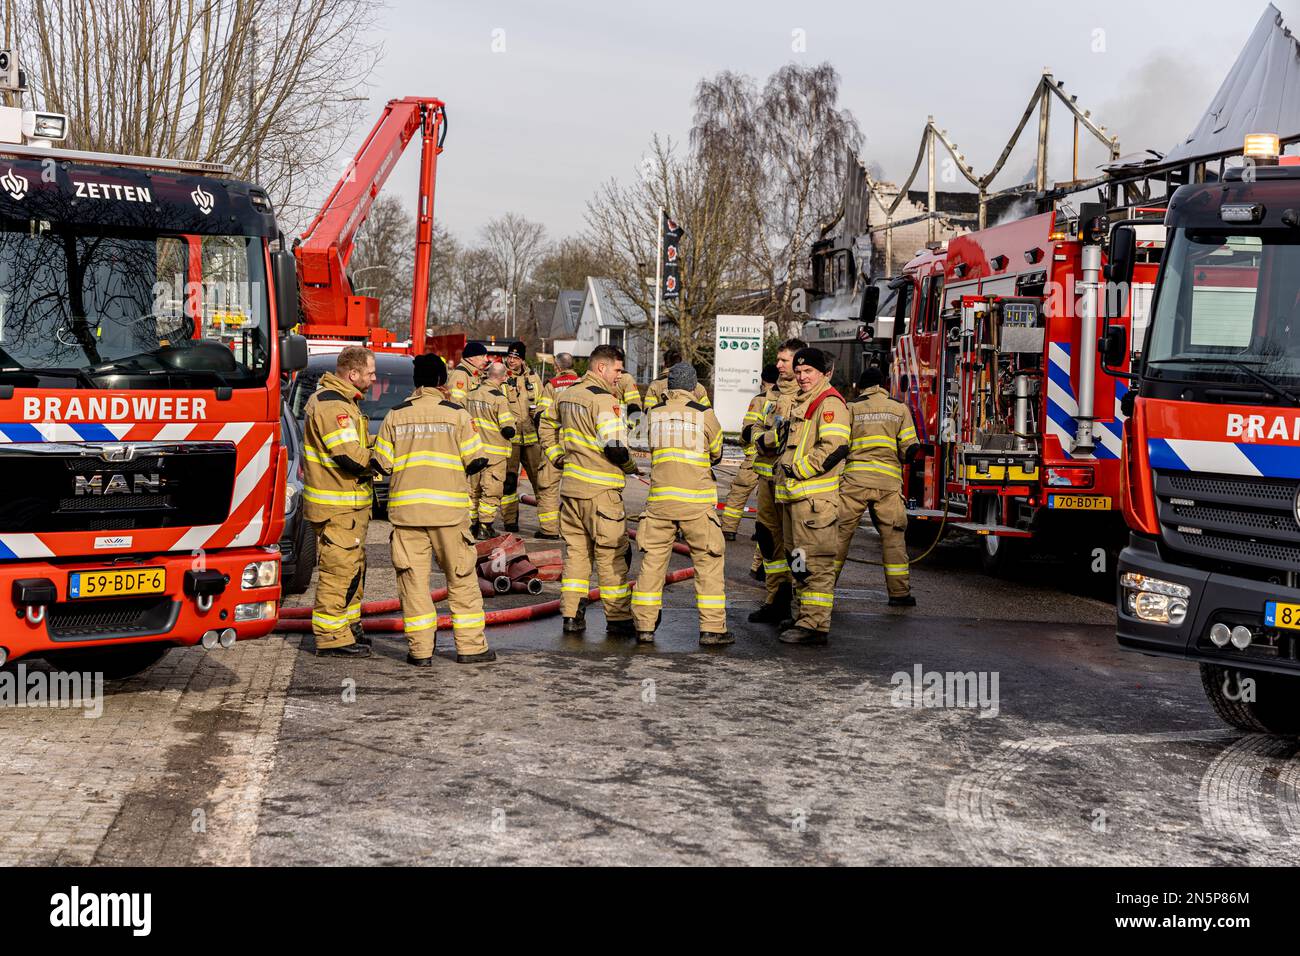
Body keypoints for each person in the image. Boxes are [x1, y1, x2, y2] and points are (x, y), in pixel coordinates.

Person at [372, 354, 496, 665]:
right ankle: (470, 648)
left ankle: (420, 652)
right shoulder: (456, 414)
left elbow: (380, 464)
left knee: (413, 584)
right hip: (449, 516)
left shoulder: (395, 415)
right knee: (462, 580)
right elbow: (477, 460)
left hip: (407, 516)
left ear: (416, 382)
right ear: (442, 381)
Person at [538, 343, 636, 636]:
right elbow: (615, 448)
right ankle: (618, 619)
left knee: (577, 557)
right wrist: (632, 468)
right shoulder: (604, 400)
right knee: (610, 556)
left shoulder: (567, 395)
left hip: (571, 490)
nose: (620, 376)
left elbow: (545, 425)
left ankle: (571, 615)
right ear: (601, 367)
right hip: (602, 492)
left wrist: (557, 457)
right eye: (617, 370)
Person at [632, 363, 731, 646]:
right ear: (693, 387)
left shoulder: (651, 414)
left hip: (659, 504)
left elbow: (643, 445)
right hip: (697, 506)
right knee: (709, 564)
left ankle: (644, 626)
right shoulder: (705, 415)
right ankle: (713, 629)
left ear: (668, 387)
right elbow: (716, 454)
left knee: (651, 565)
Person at [302, 346, 377, 658]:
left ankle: (348, 627)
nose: (374, 379)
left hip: (348, 507)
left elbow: (355, 444)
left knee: (353, 569)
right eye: (370, 373)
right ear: (353, 373)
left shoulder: (343, 401)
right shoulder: (334, 406)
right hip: (338, 507)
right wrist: (384, 459)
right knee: (338, 572)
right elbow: (350, 457)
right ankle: (332, 637)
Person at [774, 347, 850, 645]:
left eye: (809, 372)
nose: (802, 377)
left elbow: (835, 446)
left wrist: (798, 470)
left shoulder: (829, 403)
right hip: (795, 499)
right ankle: (801, 614)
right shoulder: (801, 402)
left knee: (816, 564)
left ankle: (814, 625)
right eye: (799, 371)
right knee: (797, 561)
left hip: (814, 502)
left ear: (823, 373)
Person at [834, 365, 919, 606]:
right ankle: (899, 594)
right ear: (882, 384)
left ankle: (824, 588)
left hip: (854, 483)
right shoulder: (899, 409)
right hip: (888, 484)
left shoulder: (850, 408)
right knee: (893, 538)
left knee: (839, 536)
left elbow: (839, 444)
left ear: (861, 386)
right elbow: (911, 448)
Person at [746, 338, 806, 626]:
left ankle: (801, 604)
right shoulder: (766, 398)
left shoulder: (810, 398)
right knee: (769, 541)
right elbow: (750, 430)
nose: (778, 365)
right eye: (779, 360)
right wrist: (765, 439)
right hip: (768, 481)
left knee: (797, 546)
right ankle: (775, 599)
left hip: (796, 485)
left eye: (784, 360)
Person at [721, 364, 778, 541]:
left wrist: (744, 443)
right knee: (768, 496)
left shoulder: (760, 400)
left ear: (763, 381)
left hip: (756, 455)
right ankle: (764, 531)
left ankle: (728, 529)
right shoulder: (792, 398)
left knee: (739, 490)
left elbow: (748, 430)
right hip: (778, 457)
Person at [532, 352, 580, 539]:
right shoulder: (583, 383)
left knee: (548, 486)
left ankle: (550, 530)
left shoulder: (552, 386)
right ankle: (575, 529)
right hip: (578, 443)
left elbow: (541, 415)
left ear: (557, 367)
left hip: (555, 441)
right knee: (578, 488)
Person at [466, 361, 516, 539]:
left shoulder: (470, 395)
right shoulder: (498, 398)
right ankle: (485, 526)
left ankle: (472, 524)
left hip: (473, 453)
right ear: (503, 377)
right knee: (491, 491)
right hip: (494, 455)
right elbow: (507, 427)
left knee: (473, 491)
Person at [501, 341, 544, 532]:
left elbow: (543, 402)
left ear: (522, 359)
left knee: (540, 480)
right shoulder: (500, 376)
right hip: (510, 439)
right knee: (509, 481)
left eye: (516, 358)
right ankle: (510, 521)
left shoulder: (533, 378)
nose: (511, 361)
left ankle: (548, 525)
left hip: (532, 438)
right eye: (510, 357)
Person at [643, 349, 711, 411]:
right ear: (680, 362)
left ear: (665, 364)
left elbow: (648, 412)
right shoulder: (698, 386)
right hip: (691, 422)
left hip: (663, 423)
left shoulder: (655, 385)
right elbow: (707, 411)